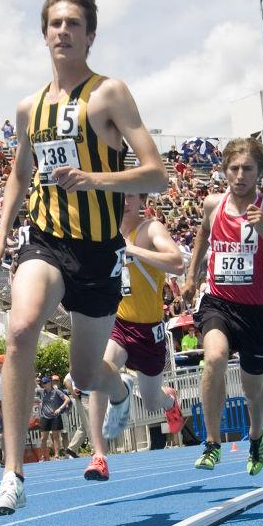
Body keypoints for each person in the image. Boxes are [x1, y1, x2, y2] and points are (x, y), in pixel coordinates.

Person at [0, 0, 168, 516]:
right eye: (55, 23)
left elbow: (158, 175)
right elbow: (19, 175)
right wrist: (0, 235)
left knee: (87, 376)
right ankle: (12, 474)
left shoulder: (109, 94)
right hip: (44, 241)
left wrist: (94, 178)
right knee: (19, 331)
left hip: (97, 254)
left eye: (73, 24)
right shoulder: (29, 107)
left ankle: (120, 392)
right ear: (44, 33)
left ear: (89, 35)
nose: (63, 32)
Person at [180, 138, 263, 475]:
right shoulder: (212, 204)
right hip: (218, 302)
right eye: (233, 168)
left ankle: (256, 434)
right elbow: (203, 234)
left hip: (256, 311)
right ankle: (213, 443)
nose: (240, 175)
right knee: (214, 358)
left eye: (247, 168)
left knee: (252, 389)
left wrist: (262, 229)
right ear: (224, 171)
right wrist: (192, 275)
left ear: (260, 171)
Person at [85, 192, 186, 481]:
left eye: (131, 196)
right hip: (119, 322)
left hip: (149, 329)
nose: (125, 201)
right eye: (120, 195)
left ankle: (169, 401)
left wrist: (133, 250)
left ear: (141, 200)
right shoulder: (104, 233)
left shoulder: (150, 228)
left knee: (152, 399)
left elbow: (177, 263)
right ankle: (99, 455)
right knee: (97, 375)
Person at [37, 376, 70, 461]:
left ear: (50, 383)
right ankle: (44, 457)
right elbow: (31, 390)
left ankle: (56, 455)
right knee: (43, 438)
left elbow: (67, 399)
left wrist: (60, 408)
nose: (44, 385)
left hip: (55, 416)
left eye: (45, 383)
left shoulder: (56, 391)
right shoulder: (41, 391)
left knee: (56, 437)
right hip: (44, 417)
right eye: (43, 383)